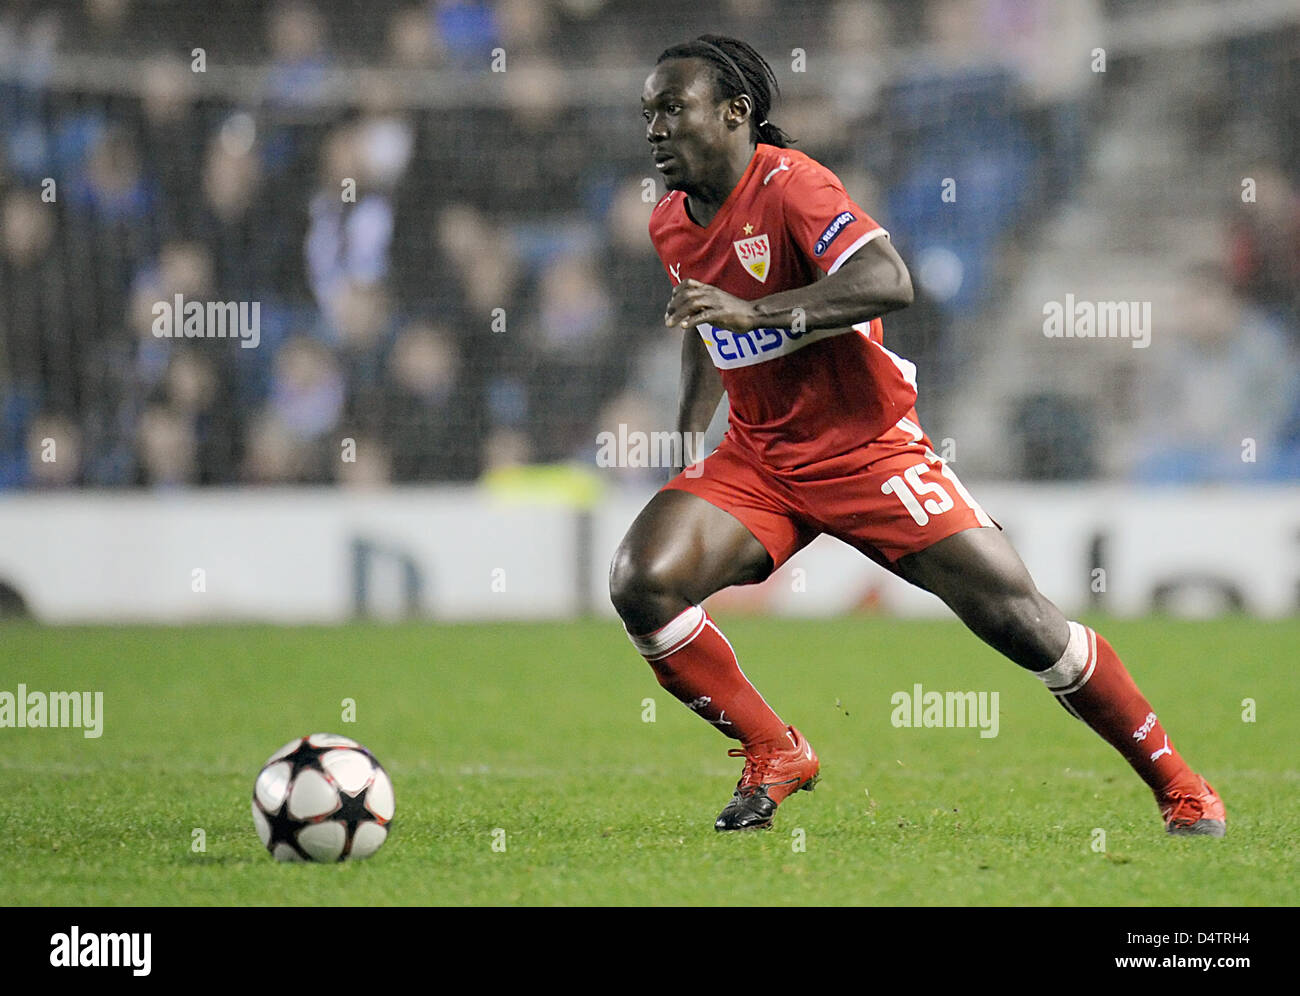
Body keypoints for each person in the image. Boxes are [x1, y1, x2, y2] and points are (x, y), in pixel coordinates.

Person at [609, 35, 1226, 836]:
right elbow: (703, 322)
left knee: (1026, 625)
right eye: (648, 113)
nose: (654, 128)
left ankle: (1180, 784)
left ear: (735, 113)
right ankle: (775, 749)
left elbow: (887, 280)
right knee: (641, 581)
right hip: (759, 459)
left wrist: (757, 312)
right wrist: (692, 442)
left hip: (869, 452)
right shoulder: (670, 221)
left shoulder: (795, 188)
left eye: (672, 108)